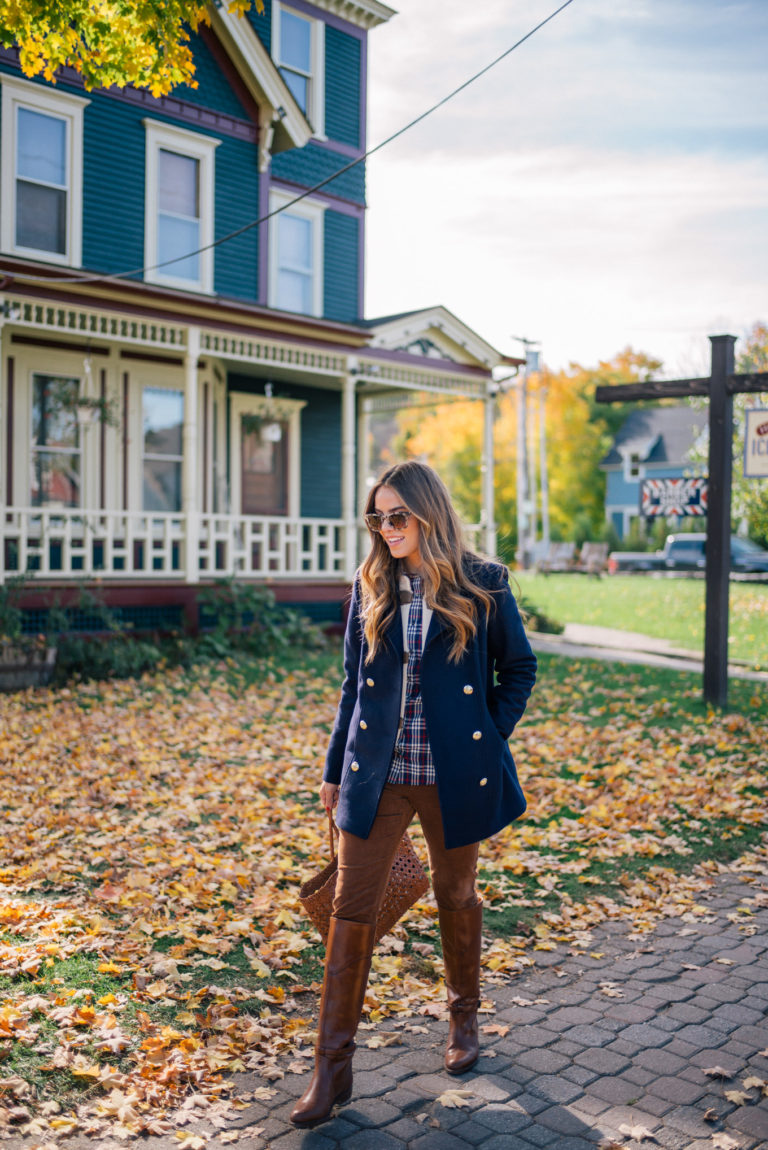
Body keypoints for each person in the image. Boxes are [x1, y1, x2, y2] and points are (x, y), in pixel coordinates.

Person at [291, 460, 537, 1128]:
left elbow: (519, 668)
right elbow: (353, 685)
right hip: (381, 772)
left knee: (455, 894)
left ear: (428, 512)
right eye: (378, 516)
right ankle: (331, 1071)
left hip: (455, 774)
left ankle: (464, 1021)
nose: (387, 528)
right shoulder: (372, 583)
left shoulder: (483, 582)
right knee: (350, 909)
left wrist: (489, 732)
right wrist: (335, 767)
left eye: (398, 515)